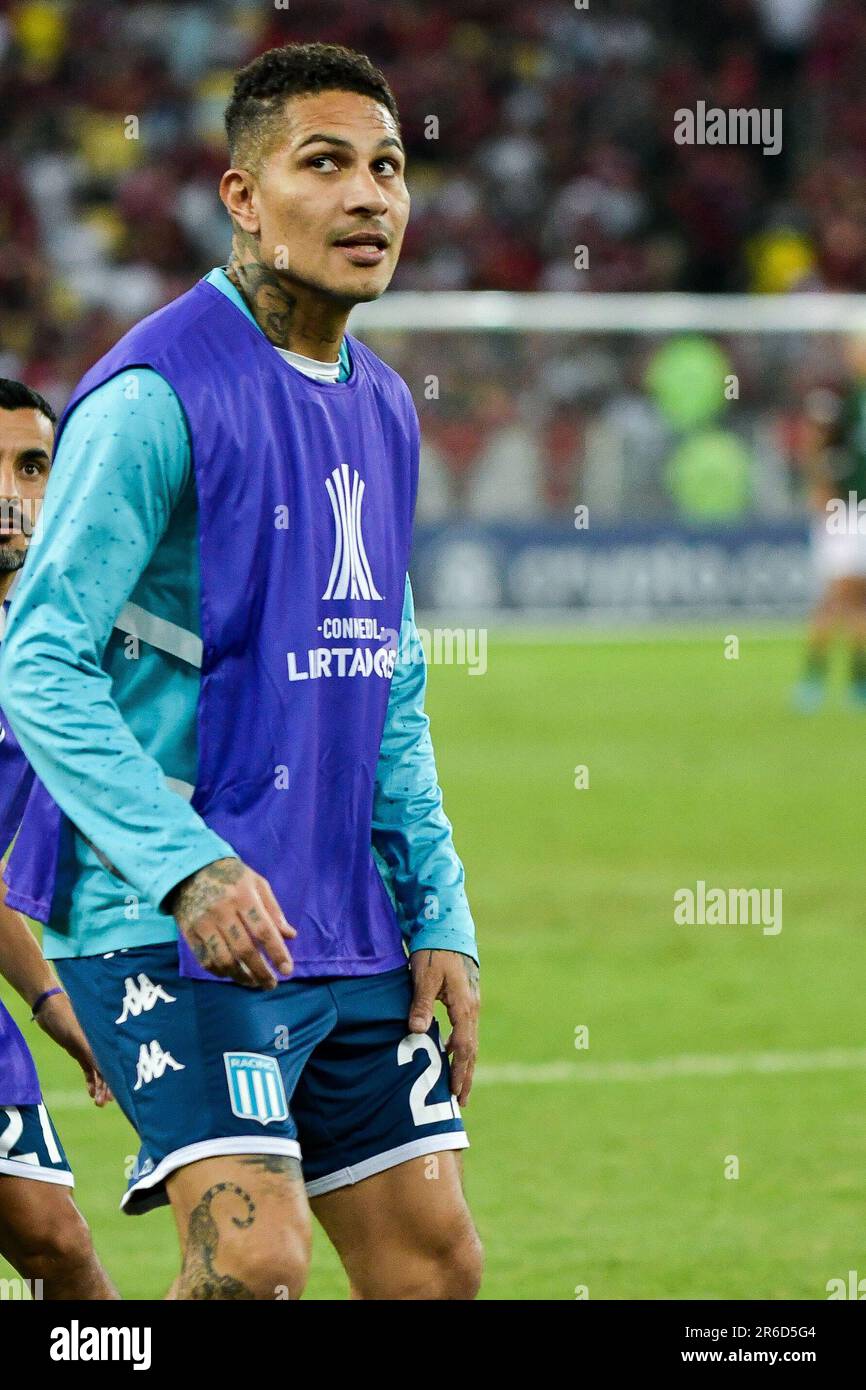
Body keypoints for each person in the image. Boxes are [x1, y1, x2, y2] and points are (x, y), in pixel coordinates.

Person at [0, 43, 482, 1301]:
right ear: (242, 195)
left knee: (435, 1269)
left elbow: (391, 678)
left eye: (386, 166)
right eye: (322, 164)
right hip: (165, 919)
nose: (368, 195)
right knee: (253, 1268)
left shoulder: (381, 403)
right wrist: (186, 865)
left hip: (339, 918)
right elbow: (37, 659)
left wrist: (439, 908)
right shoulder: (155, 395)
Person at [0, 378, 117, 1300]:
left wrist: (52, 1004)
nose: (10, 494)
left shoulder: (47, 641)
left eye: (32, 466)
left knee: (56, 1245)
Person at [795, 336, 866, 709]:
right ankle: (815, 679)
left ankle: (854, 681)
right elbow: (816, 442)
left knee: (857, 601)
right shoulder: (840, 399)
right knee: (840, 596)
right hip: (846, 510)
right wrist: (818, 488)